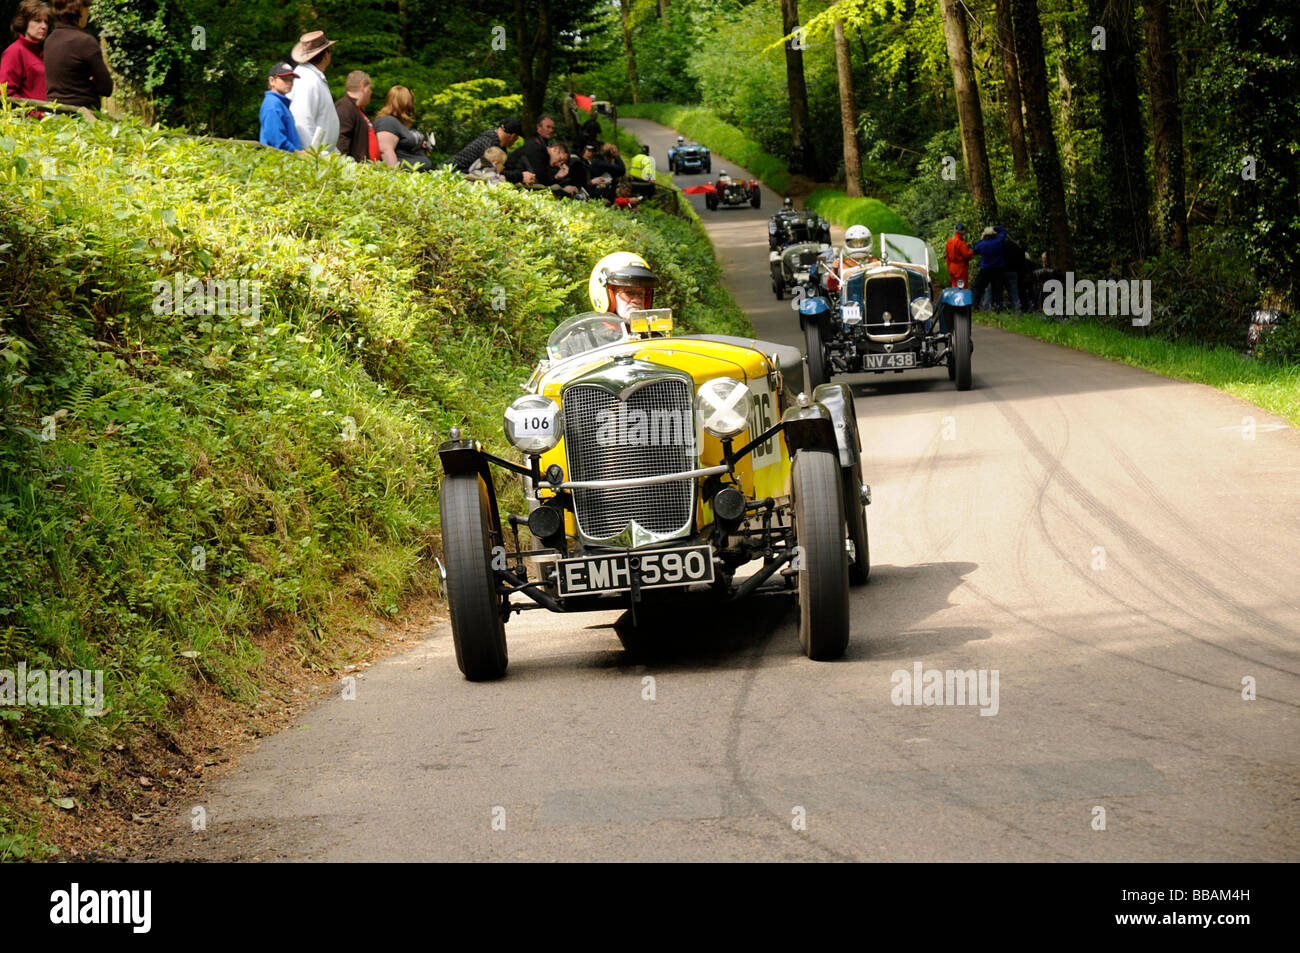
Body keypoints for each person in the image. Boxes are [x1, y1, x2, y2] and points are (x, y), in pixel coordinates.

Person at [42, 0, 110, 109]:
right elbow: (106, 88)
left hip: (53, 113)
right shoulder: (86, 42)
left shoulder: (50, 40)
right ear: (79, 9)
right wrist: (92, 82)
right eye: (87, 7)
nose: (88, 13)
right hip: (81, 116)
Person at [287, 30, 338, 152]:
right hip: (314, 157)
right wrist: (316, 155)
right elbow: (301, 123)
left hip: (322, 155)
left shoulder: (313, 77)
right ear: (326, 56)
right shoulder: (307, 80)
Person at [373, 85, 433, 170]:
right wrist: (396, 177)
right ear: (406, 102)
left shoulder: (400, 124)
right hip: (404, 179)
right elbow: (385, 151)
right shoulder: (387, 122)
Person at [1, 0, 51, 102]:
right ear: (24, 23)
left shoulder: (48, 52)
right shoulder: (14, 52)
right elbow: (6, 93)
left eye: (46, 21)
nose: (44, 26)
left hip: (54, 115)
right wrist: (34, 114)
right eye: (37, 21)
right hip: (30, 117)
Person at [588, 252, 657, 319]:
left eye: (641, 294)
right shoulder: (589, 330)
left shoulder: (652, 329)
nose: (637, 300)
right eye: (629, 293)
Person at [445, 116, 522, 173]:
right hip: (450, 173)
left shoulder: (497, 144)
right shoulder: (490, 144)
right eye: (517, 137)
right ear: (513, 136)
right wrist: (520, 177)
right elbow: (492, 171)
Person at [972, 225, 1020, 311]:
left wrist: (981, 239)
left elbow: (974, 250)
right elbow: (1004, 231)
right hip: (998, 269)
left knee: (978, 288)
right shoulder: (998, 242)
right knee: (997, 290)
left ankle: (974, 306)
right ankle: (998, 308)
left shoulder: (981, 244)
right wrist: (994, 227)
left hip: (985, 270)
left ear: (985, 235)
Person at [258, 61, 302, 152]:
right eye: (284, 79)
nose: (289, 83)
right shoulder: (272, 104)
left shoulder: (280, 103)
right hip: (278, 161)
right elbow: (277, 141)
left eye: (291, 80)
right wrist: (298, 153)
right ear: (272, 81)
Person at [335, 70, 377, 163]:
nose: (371, 92)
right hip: (354, 172)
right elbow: (341, 142)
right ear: (362, 86)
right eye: (369, 88)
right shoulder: (344, 107)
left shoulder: (355, 108)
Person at [944, 223, 975, 287]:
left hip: (952, 267)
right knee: (962, 288)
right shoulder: (960, 242)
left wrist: (949, 267)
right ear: (963, 232)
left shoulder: (949, 241)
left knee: (954, 287)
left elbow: (947, 256)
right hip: (960, 269)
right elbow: (966, 255)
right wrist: (972, 252)